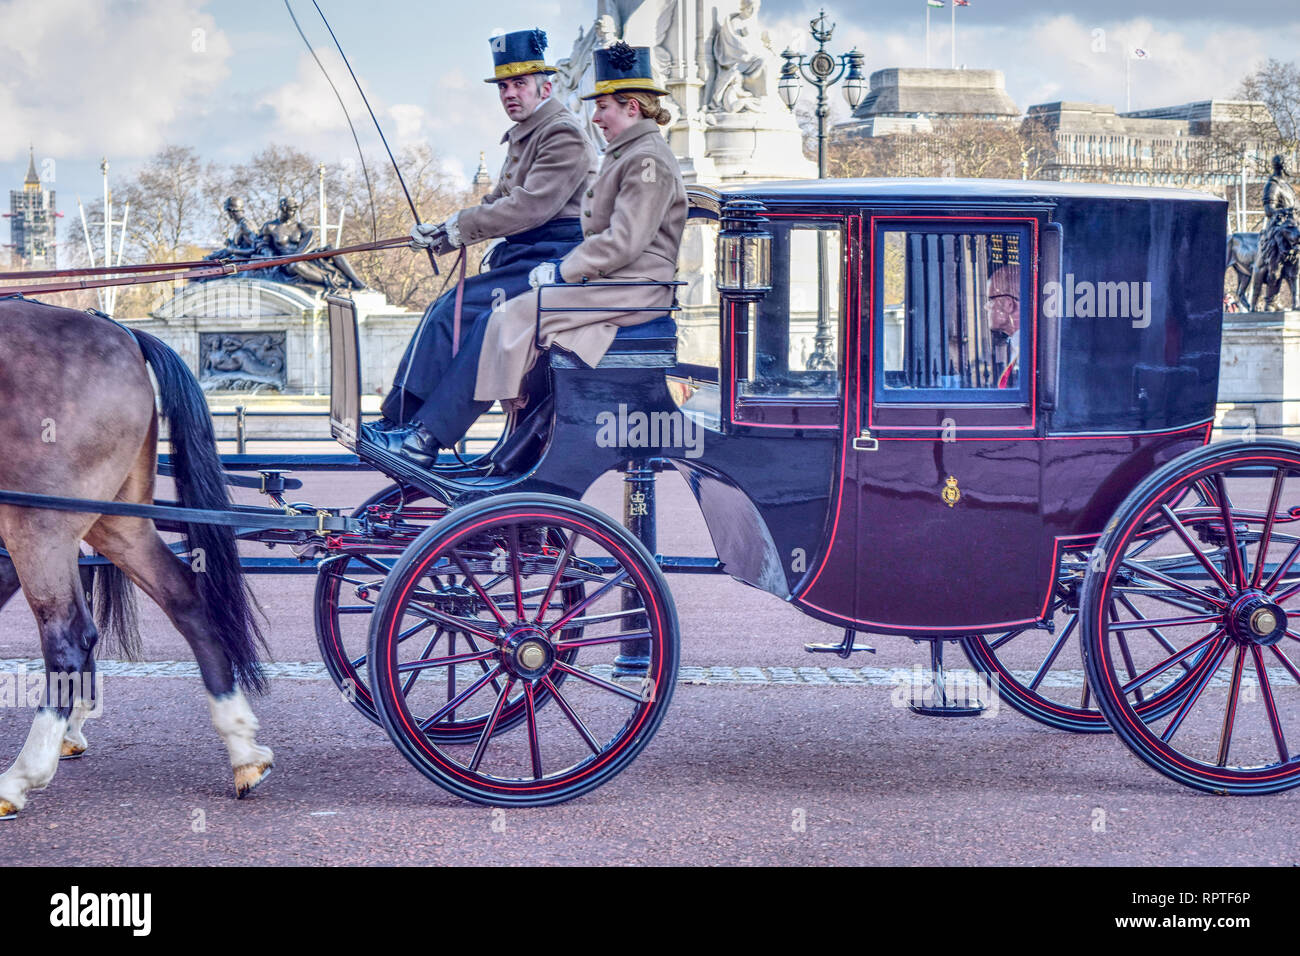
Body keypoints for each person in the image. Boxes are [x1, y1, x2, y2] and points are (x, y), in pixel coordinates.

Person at [390, 41, 687, 468]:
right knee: (494, 316)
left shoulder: (646, 161)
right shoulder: (632, 153)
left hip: (632, 286)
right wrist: (448, 230)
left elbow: (622, 241)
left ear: (633, 107)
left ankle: (426, 437)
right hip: (616, 279)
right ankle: (425, 431)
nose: (596, 117)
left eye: (603, 107)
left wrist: (563, 271)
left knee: (509, 318)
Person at [367, 28, 599, 446]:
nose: (510, 93)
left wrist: (459, 230)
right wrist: (441, 232)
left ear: (545, 87)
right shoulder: (529, 131)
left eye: (520, 84)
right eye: (504, 86)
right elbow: (495, 201)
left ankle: (426, 436)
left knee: (480, 324)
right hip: (528, 254)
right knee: (445, 310)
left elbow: (530, 207)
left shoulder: (562, 133)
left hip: (554, 259)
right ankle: (399, 420)